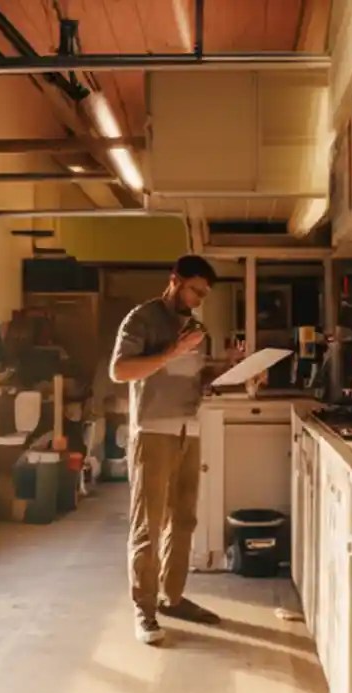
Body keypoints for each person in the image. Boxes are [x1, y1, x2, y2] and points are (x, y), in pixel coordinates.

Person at [109, 255, 226, 645]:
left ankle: (172, 598)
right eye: (194, 290)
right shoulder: (141, 319)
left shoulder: (196, 327)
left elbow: (195, 374)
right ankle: (144, 610)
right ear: (174, 280)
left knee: (185, 520)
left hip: (188, 428)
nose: (197, 299)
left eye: (204, 294)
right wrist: (172, 351)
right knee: (149, 524)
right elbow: (120, 370)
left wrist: (234, 370)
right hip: (152, 430)